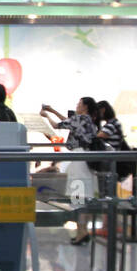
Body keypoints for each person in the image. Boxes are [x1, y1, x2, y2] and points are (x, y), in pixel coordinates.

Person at [41, 98, 99, 245]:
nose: (77, 106)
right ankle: (83, 231)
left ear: (85, 107)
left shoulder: (80, 119)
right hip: (87, 161)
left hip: (79, 162)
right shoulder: (88, 121)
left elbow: (57, 125)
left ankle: (81, 232)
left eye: (79, 104)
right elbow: (68, 121)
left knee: (78, 198)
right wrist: (52, 110)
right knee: (84, 197)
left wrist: (46, 115)